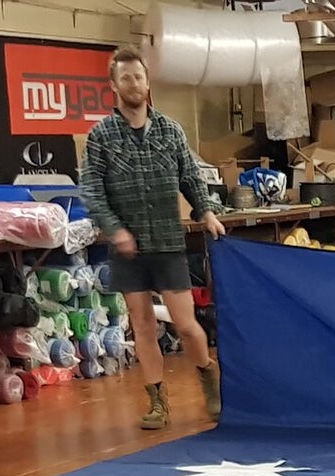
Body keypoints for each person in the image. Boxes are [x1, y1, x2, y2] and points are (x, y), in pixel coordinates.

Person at [80, 46, 228, 430]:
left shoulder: (171, 131)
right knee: (143, 325)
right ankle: (158, 402)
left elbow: (190, 178)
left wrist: (206, 212)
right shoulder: (100, 137)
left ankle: (207, 375)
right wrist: (115, 229)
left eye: (138, 77)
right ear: (114, 85)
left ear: (148, 83)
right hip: (127, 251)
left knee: (186, 325)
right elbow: (92, 190)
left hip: (168, 242)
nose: (133, 83)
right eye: (125, 78)